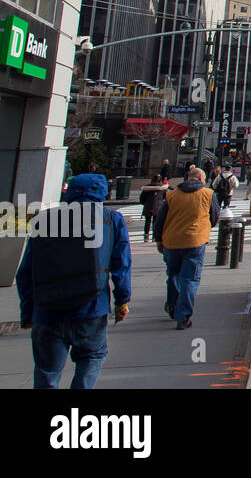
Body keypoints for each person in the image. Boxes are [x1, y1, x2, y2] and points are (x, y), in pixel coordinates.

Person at [17, 173, 131, 389]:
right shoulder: (110, 219)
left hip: (47, 311)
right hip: (91, 308)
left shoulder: (44, 220)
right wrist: (122, 301)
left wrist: (29, 312)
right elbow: (121, 265)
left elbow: (25, 271)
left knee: (47, 372)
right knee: (92, 357)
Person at [153, 166, 219, 330]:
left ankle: (172, 305)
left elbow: (160, 219)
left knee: (173, 274)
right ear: (202, 179)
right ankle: (182, 317)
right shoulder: (208, 194)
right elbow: (214, 217)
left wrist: (159, 239)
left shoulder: (171, 195)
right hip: (195, 241)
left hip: (172, 241)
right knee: (189, 279)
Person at [138, 172, 168, 241]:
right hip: (158, 207)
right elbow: (166, 197)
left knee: (147, 222)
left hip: (148, 206)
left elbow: (142, 199)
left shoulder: (147, 188)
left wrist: (144, 203)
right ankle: (154, 236)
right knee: (156, 222)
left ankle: (146, 236)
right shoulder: (162, 188)